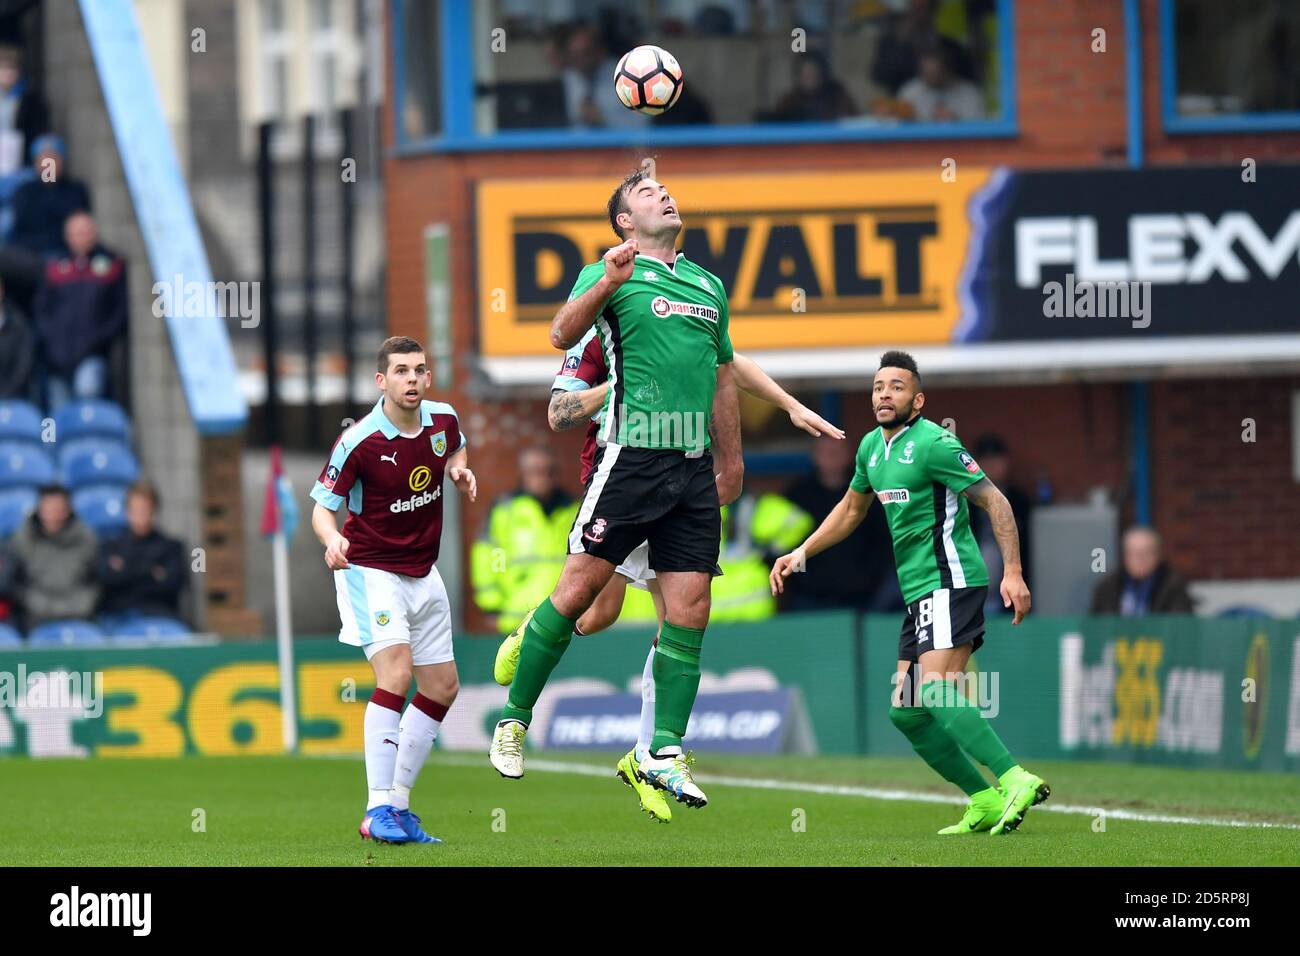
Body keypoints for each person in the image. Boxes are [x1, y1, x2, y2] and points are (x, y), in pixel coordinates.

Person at [495, 332, 840, 820]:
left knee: (675, 619)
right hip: (618, 483)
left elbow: (729, 363)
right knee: (597, 613)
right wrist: (619, 386)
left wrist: (789, 405)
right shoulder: (602, 329)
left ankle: (649, 754)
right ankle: (535, 632)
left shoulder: (681, 309)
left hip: (679, 491)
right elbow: (561, 411)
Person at [487, 168, 745, 809]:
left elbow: (722, 376)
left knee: (690, 613)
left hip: (692, 467)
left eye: (665, 189)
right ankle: (514, 722)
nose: (665, 194)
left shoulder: (708, 284)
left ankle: (662, 752)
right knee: (579, 597)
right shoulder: (610, 272)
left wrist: (732, 459)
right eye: (647, 193)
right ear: (625, 221)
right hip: (630, 459)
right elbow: (560, 335)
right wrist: (606, 278)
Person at [772, 351, 1050, 836]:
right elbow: (851, 510)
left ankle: (1014, 777)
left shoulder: (936, 444)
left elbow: (995, 501)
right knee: (907, 712)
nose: (885, 393)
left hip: (951, 580)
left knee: (937, 690)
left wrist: (1014, 572)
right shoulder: (869, 451)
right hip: (917, 594)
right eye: (879, 386)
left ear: (917, 400)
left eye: (897, 387)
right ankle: (983, 799)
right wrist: (803, 551)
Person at [309, 336, 477, 846]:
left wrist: (457, 469)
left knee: (443, 687)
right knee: (397, 674)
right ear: (381, 381)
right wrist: (332, 537)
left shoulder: (443, 420)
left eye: (419, 371)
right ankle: (376, 807)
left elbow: (457, 444)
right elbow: (322, 505)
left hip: (423, 573)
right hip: (370, 570)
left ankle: (399, 808)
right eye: (401, 371)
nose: (412, 379)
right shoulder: (359, 442)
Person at [783, 435, 901, 612]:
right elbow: (784, 543)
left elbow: (884, 541)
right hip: (809, 596)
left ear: (849, 455)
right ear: (814, 456)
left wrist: (870, 578)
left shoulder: (868, 493)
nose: (831, 457)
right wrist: (801, 578)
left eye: (836, 452)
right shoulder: (797, 496)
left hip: (862, 597)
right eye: (825, 452)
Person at [469, 446, 577, 633]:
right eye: (534, 471)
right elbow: (491, 555)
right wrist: (492, 605)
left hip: (565, 615)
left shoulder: (574, 510)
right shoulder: (506, 510)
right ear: (523, 473)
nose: (541, 476)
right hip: (517, 617)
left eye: (547, 471)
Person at [33, 212, 127, 410]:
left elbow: (118, 312)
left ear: (94, 233)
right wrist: (51, 341)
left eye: (85, 232)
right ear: (67, 236)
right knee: (59, 414)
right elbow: (42, 311)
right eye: (76, 233)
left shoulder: (112, 266)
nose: (81, 237)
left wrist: (98, 340)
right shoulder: (55, 268)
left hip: (92, 353)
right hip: (56, 359)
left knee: (88, 398)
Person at [97, 480, 187, 627]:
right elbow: (106, 580)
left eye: (145, 509)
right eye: (135, 510)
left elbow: (173, 584)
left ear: (154, 511)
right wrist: (151, 572)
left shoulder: (171, 547)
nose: (140, 515)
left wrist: (126, 570)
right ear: (127, 511)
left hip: (160, 615)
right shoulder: (111, 546)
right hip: (117, 617)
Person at [9, 484, 99, 630]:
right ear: (40, 510)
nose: (53, 515)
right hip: (34, 617)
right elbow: (16, 583)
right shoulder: (22, 538)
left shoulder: (87, 538)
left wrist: (84, 604)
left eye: (58, 509)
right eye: (48, 509)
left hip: (81, 614)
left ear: (68, 510)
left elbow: (96, 580)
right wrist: (34, 603)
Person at [966, 434, 1031, 615]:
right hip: (968, 587)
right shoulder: (963, 500)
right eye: (986, 459)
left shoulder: (1020, 501)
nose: (993, 465)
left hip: (1012, 587)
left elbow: (1031, 551)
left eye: (997, 459)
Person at [7, 134, 90, 258]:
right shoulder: (24, 191)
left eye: (53, 159)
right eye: (43, 159)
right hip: (27, 255)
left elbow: (81, 228)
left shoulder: (76, 190)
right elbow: (19, 230)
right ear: (35, 162)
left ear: (62, 161)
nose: (48, 166)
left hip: (65, 254)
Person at [871, 0, 976, 97]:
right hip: (904, 105)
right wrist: (900, 44)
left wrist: (944, 71)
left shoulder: (951, 47)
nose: (920, 14)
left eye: (925, 9)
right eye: (916, 9)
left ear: (934, 10)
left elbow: (968, 79)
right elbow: (879, 77)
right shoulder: (891, 43)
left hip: (946, 106)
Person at [1089, 526, 1195, 616]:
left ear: (1158, 555)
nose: (1139, 559)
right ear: (1125, 556)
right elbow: (1094, 626)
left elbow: (1180, 625)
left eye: (1146, 553)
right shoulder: (1107, 587)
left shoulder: (1172, 586)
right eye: (1133, 553)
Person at [559, 23, 646, 130]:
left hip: (618, 144)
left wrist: (603, 119)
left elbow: (642, 124)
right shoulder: (567, 79)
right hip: (573, 144)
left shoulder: (627, 76)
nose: (579, 60)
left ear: (600, 51)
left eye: (585, 53)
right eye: (574, 55)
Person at [897, 41, 985, 122]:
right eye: (928, 74)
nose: (933, 77)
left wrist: (956, 120)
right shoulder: (909, 93)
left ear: (950, 67)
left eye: (938, 74)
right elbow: (897, 126)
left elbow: (980, 129)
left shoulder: (969, 93)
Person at [760, 51, 857, 123]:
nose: (808, 79)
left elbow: (850, 123)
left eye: (812, 74)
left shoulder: (837, 96)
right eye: (804, 75)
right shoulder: (790, 101)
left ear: (822, 74)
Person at [0, 277, 35, 400]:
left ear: (2, 291)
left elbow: (23, 365)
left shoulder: (18, 323)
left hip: (13, 397)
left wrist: (6, 394)